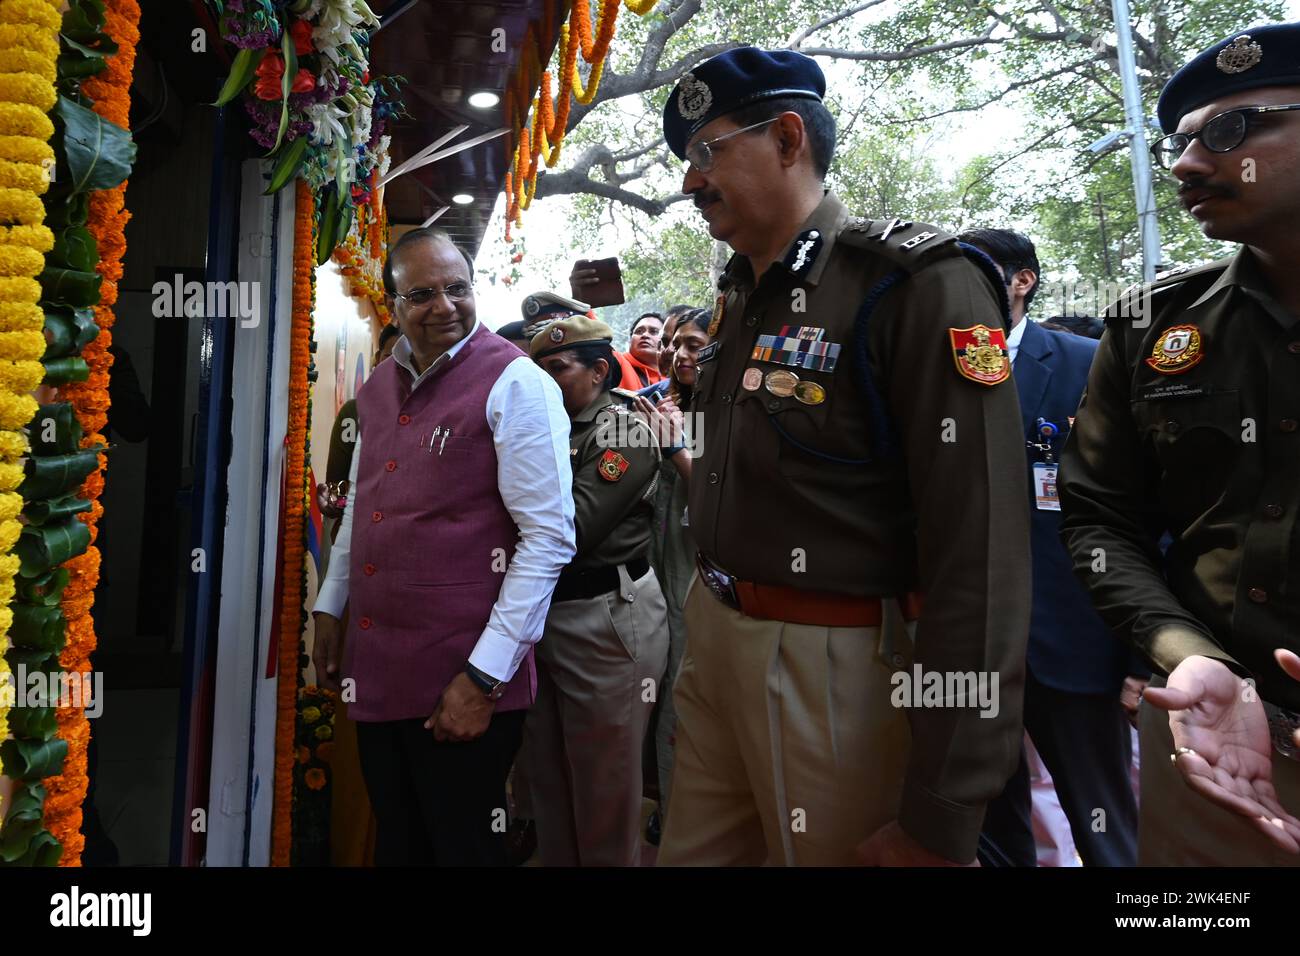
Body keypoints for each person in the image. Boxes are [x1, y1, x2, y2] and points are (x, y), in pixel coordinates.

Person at [656, 47, 1031, 866]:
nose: (691, 182)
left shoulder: (913, 283)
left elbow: (985, 548)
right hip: (714, 636)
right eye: (686, 160)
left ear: (788, 138)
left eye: (707, 151)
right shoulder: (736, 294)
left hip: (837, 670)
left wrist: (945, 804)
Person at [1059, 22, 1300, 865]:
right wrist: (1185, 654)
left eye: (1232, 131)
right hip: (1212, 745)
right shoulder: (1150, 323)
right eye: (1182, 142)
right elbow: (1097, 521)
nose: (1189, 163)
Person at [310, 228, 576, 866]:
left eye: (457, 288)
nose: (445, 306)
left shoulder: (517, 384)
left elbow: (547, 540)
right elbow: (360, 511)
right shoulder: (377, 388)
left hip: (463, 674)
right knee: (401, 845)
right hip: (379, 668)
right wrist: (330, 607)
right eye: (423, 294)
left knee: (462, 849)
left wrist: (483, 680)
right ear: (393, 304)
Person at [960, 228, 1141, 867]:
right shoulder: (929, 371)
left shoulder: (1086, 361)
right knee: (988, 829)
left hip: (1073, 640)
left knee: (1105, 828)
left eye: (974, 272)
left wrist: (1144, 652)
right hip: (969, 645)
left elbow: (1144, 506)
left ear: (1022, 281)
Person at [520, 315, 669, 866]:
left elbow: (571, 530)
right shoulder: (542, 426)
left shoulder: (623, 431)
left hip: (605, 615)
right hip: (545, 614)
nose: (544, 379)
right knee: (550, 779)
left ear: (600, 371)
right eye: (537, 368)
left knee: (606, 785)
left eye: (556, 368)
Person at [632, 306, 710, 845]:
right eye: (678, 344)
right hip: (644, 572)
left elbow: (724, 500)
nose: (683, 355)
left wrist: (677, 446)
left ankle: (681, 815)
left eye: (697, 345)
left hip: (698, 575)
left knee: (682, 697)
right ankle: (655, 798)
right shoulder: (653, 401)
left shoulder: (735, 408)